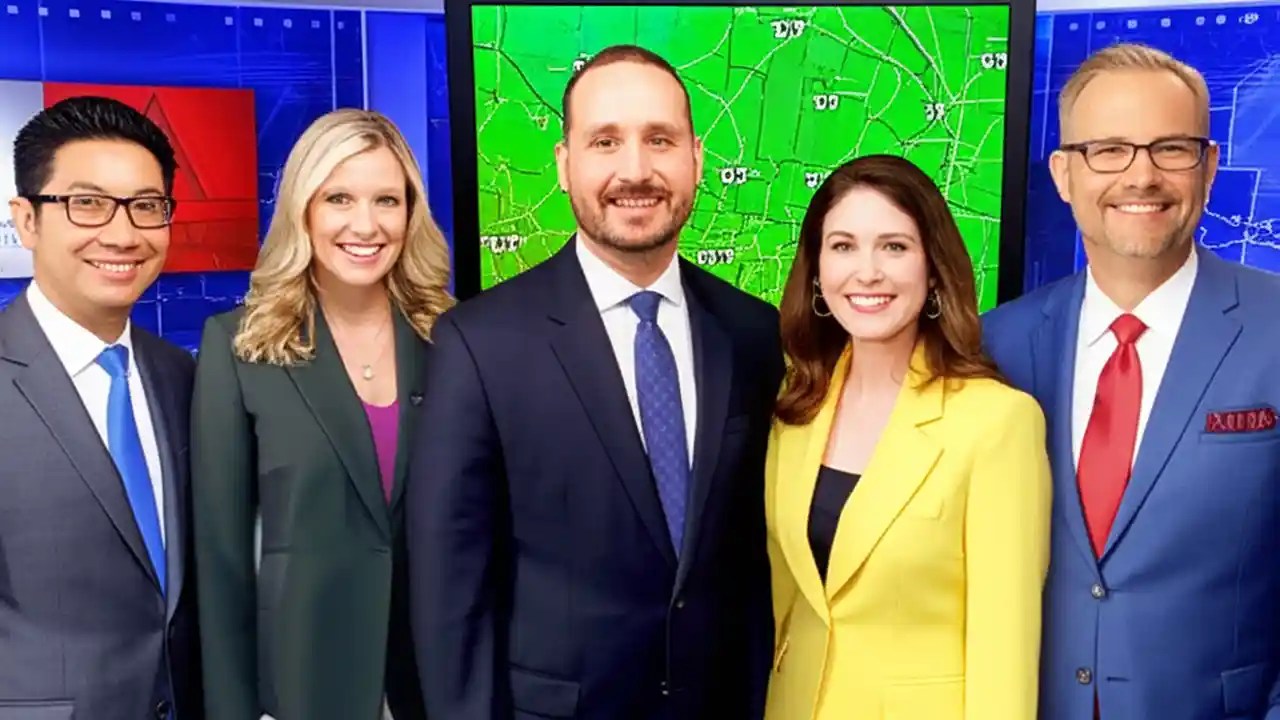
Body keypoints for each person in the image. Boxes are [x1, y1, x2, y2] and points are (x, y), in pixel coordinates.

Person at [407, 44, 785, 720]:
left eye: (659, 139)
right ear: (564, 164)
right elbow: (449, 594)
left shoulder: (754, 333)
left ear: (696, 159)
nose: (635, 170)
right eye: (605, 141)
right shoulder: (480, 343)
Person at [983, 43, 1280, 720]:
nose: (1141, 176)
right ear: (1064, 174)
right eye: (1109, 150)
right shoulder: (994, 346)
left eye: (1170, 148)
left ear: (1208, 167)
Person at [763, 154, 1051, 720]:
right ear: (817, 270)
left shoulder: (998, 422)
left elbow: (1005, 654)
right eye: (843, 246)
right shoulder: (796, 409)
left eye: (894, 247)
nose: (867, 272)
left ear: (933, 269)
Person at [190, 109, 452, 720]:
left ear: (411, 213)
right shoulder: (240, 348)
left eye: (387, 200)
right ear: (303, 210)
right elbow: (222, 565)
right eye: (339, 198)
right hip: (303, 683)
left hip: (438, 683)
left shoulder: (454, 340)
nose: (366, 224)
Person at [0, 96, 201, 719]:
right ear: (27, 221)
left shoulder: (182, 375)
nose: (122, 234)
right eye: (86, 203)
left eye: (147, 206)